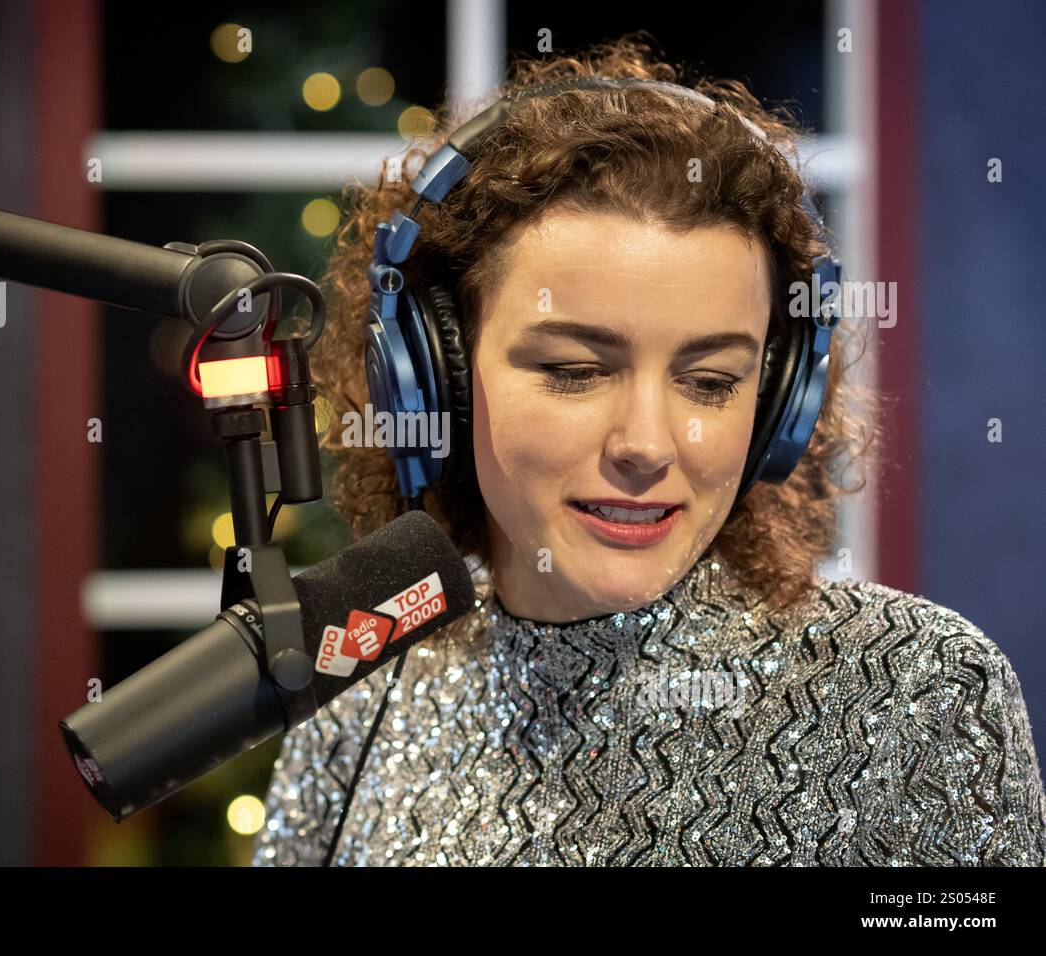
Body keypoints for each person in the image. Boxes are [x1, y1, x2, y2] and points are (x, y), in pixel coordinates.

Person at [250, 37, 1046, 866]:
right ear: (430, 379)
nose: (647, 446)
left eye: (709, 382)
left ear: (778, 405)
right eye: (574, 371)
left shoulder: (914, 692)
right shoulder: (363, 692)